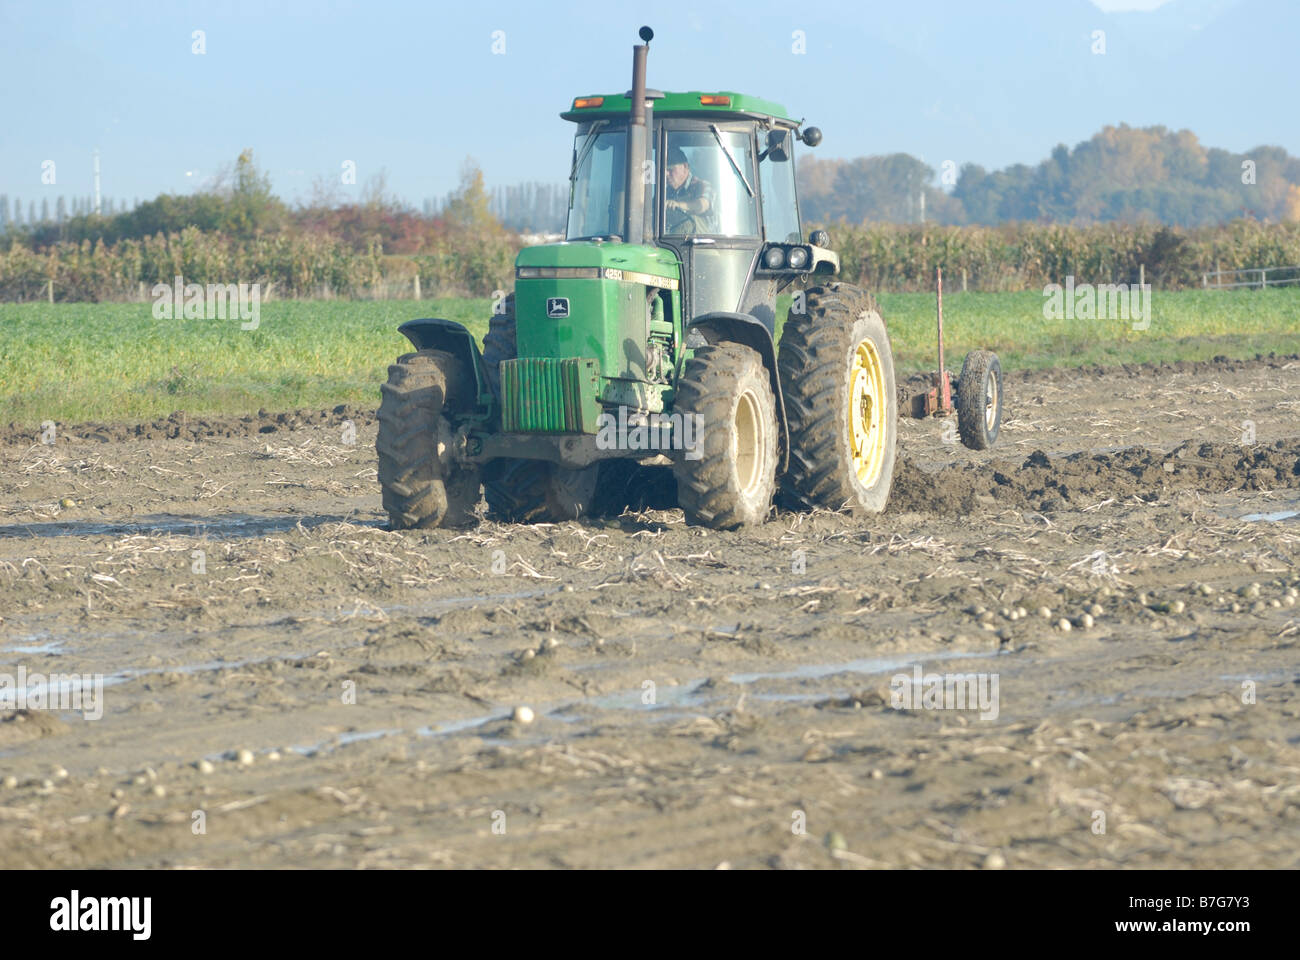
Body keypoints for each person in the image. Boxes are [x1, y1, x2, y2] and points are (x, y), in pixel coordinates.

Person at [664, 146, 714, 234]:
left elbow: (702, 205)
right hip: (672, 243)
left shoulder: (701, 186)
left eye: (670, 169)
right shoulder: (665, 193)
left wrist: (677, 205)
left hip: (702, 244)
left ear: (685, 167)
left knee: (689, 222)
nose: (666, 174)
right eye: (664, 170)